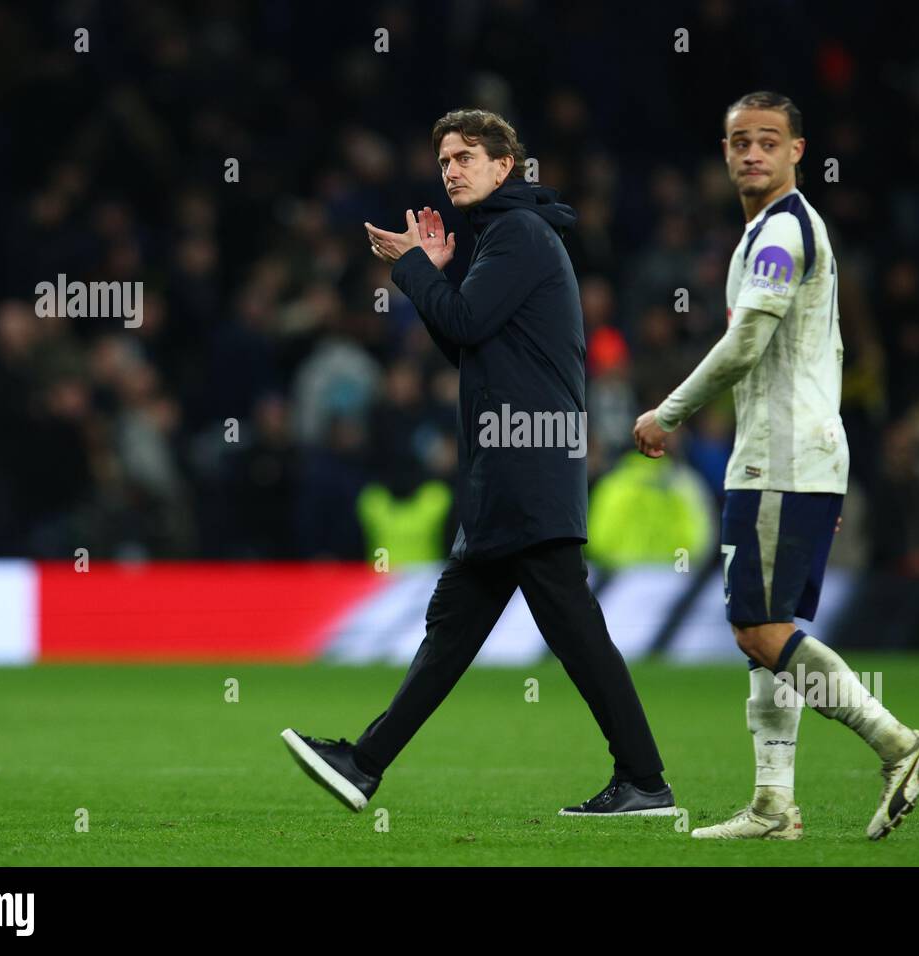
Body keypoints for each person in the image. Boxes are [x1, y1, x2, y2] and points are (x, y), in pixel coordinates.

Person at [281, 109, 674, 816]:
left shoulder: (518, 234)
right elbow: (469, 344)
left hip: (525, 460)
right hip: (515, 459)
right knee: (456, 632)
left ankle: (644, 780)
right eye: (443, 162)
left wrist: (409, 268)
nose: (451, 170)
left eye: (465, 157)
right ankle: (364, 764)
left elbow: (463, 323)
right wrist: (431, 275)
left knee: (570, 632)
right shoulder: (511, 235)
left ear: (504, 168)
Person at [633, 92, 919, 841]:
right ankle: (773, 804)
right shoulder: (765, 232)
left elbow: (743, 346)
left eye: (768, 142)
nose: (752, 154)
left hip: (785, 459)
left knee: (756, 630)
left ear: (797, 151)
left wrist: (665, 412)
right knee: (766, 632)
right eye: (739, 141)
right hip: (779, 457)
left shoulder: (782, 232)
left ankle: (899, 746)